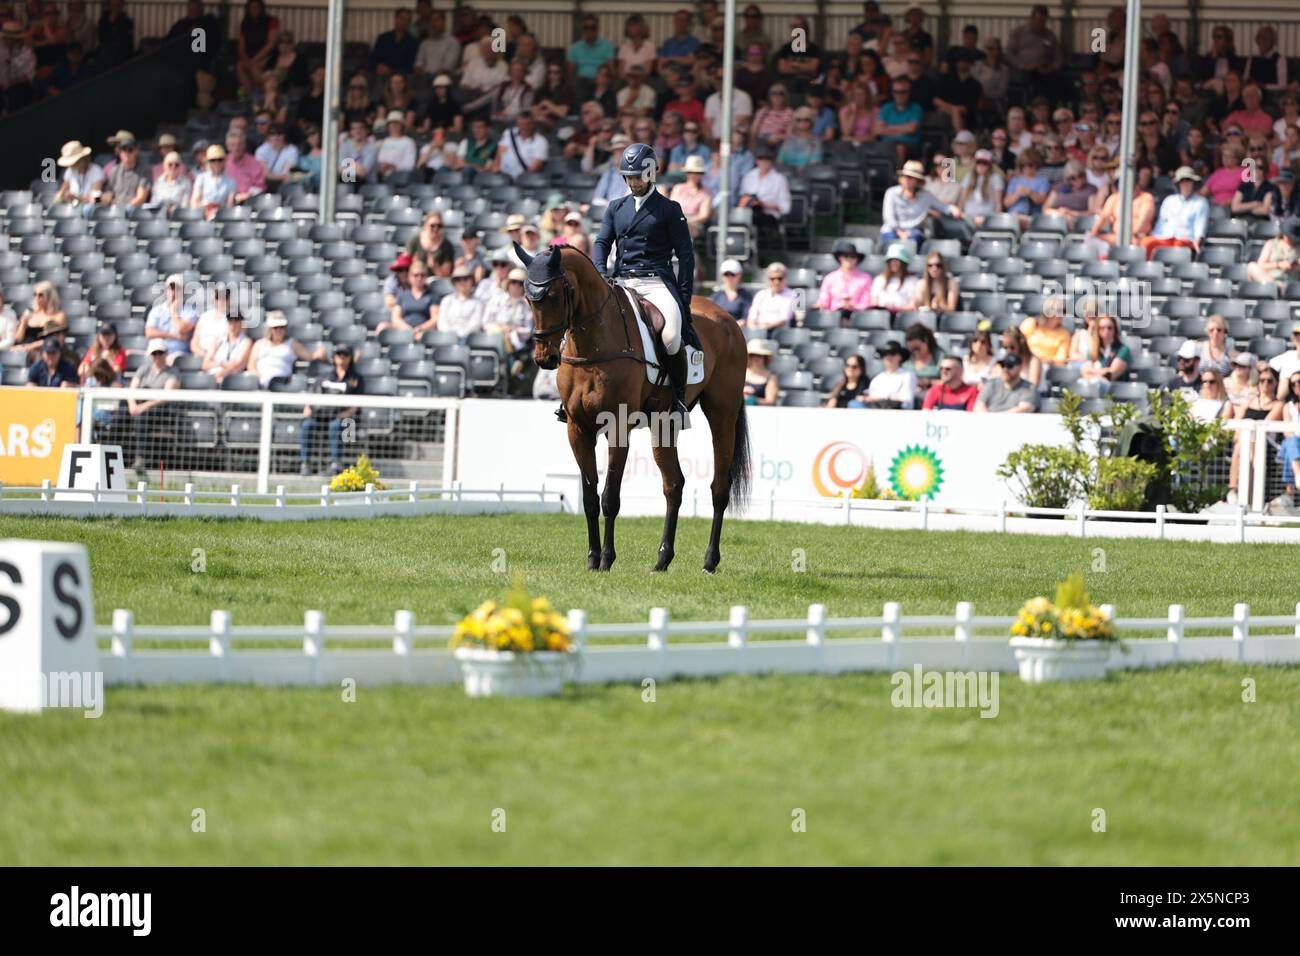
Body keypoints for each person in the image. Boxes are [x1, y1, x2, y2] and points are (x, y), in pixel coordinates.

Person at [578, 140, 696, 425]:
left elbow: (686, 255)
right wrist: (599, 273)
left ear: (650, 174)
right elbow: (602, 242)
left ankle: (678, 399)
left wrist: (683, 296)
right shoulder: (616, 207)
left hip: (656, 282)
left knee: (670, 337)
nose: (631, 182)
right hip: (621, 281)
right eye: (627, 177)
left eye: (636, 177)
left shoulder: (669, 209)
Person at [300, 345, 362, 476]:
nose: (342, 357)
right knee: (307, 424)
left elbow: (358, 403)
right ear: (333, 357)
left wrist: (348, 412)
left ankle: (336, 464)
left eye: (346, 354)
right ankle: (305, 463)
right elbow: (312, 393)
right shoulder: (325, 376)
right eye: (339, 354)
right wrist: (308, 407)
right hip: (322, 418)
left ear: (351, 358)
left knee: (336, 425)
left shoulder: (356, 378)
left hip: (349, 423)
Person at [125, 340, 180, 470]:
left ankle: (140, 458)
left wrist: (143, 407)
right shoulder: (144, 369)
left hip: (160, 409)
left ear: (166, 354)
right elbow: (132, 388)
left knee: (142, 417)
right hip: (138, 406)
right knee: (120, 413)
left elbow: (166, 396)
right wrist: (132, 405)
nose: (157, 356)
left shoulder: (173, 372)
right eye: (154, 353)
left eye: (160, 353)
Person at [881, 160, 958, 243]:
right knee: (890, 237)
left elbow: (943, 207)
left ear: (917, 180)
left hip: (913, 232)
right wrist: (900, 233)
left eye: (910, 177)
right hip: (892, 230)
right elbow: (888, 218)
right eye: (904, 176)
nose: (906, 179)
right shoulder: (891, 192)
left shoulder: (926, 196)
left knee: (915, 237)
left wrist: (954, 210)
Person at [1141, 166, 1207, 258]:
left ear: (1193, 183)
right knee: (1146, 243)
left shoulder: (1200, 202)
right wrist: (1154, 236)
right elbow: (1161, 223)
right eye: (1182, 181)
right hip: (1165, 237)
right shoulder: (1169, 200)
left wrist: (1198, 239)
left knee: (1178, 244)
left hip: (1185, 239)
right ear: (1178, 184)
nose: (1185, 184)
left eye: (1188, 180)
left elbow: (1200, 225)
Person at [248, 311, 325, 387]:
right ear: (270, 329)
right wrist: (259, 377)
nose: (279, 330)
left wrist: (319, 353)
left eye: (282, 327)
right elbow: (251, 365)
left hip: (282, 383)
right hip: (261, 383)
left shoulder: (292, 343)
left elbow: (309, 356)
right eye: (275, 328)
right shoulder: (259, 344)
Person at [145, 274, 197, 364]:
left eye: (177, 289)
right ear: (166, 290)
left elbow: (182, 329)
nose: (173, 293)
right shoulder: (157, 310)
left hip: (177, 353)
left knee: (171, 360)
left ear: (184, 291)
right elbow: (149, 333)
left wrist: (173, 312)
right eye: (171, 288)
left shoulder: (191, 311)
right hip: (156, 350)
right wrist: (174, 336)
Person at [816, 241, 872, 316]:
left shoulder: (865, 278)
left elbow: (866, 301)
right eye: (846, 256)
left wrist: (854, 307)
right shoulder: (830, 278)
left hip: (857, 316)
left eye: (853, 256)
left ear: (857, 259)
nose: (849, 259)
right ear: (840, 258)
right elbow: (824, 300)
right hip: (833, 316)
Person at [1078, 315, 1131, 393]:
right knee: (1081, 383)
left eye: (1110, 328)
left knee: (1097, 383)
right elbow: (1084, 372)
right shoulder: (1095, 350)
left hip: (1116, 391)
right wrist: (1101, 372)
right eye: (1102, 328)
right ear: (1098, 331)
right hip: (1095, 387)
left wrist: (1092, 371)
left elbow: (1111, 374)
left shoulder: (1123, 349)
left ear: (1115, 330)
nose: (1106, 331)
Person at [13, 280, 66, 355]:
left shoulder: (58, 316)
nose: (37, 298)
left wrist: (31, 346)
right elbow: (18, 339)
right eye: (35, 294)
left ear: (50, 296)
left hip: (45, 352)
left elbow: (57, 341)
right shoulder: (29, 313)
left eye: (41, 295)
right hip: (23, 350)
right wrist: (23, 324)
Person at [975, 352, 1039, 413]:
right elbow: (978, 406)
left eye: (1009, 365)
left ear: (1020, 367)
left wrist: (996, 419)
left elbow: (1024, 409)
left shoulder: (1029, 388)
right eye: (1003, 365)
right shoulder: (991, 384)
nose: (1005, 369)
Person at [200, 312, 252, 384]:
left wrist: (222, 371)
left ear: (241, 323)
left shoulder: (246, 342)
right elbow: (205, 364)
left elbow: (238, 365)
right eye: (230, 321)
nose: (232, 325)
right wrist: (221, 365)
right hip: (214, 376)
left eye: (236, 321)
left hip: (233, 378)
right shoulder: (218, 340)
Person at [744, 262, 798, 330]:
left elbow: (784, 320)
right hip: (758, 332)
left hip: (780, 333)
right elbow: (751, 318)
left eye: (779, 278)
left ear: (785, 279)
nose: (776, 282)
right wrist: (755, 330)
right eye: (772, 279)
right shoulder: (760, 294)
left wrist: (764, 327)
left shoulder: (792, 295)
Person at [435, 265, 486, 337]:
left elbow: (475, 325)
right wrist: (450, 335)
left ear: (472, 281)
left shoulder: (478, 303)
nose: (462, 282)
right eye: (458, 279)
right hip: (446, 338)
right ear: (454, 283)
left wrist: (459, 336)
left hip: (468, 340)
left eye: (465, 278)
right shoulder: (446, 300)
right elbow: (442, 322)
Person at [862, 341, 917, 408]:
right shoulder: (877, 378)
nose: (888, 357)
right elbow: (870, 399)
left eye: (892, 354)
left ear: (900, 357)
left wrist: (881, 399)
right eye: (885, 354)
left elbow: (906, 401)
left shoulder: (908, 376)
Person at [1246, 216, 1300, 284]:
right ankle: (1276, 286)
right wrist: (1279, 265)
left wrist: (1296, 266)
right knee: (1251, 266)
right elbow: (1261, 265)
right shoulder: (1271, 243)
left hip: (1291, 282)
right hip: (1270, 279)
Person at [1019, 299, 1070, 369]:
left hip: (1047, 368)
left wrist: (1045, 360)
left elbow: (1061, 360)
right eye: (1057, 310)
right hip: (1025, 362)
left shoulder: (1064, 334)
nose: (1060, 314)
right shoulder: (1030, 323)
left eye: (1063, 311)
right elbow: (1018, 345)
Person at [190, 143, 236, 217]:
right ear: (208, 162)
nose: (216, 163)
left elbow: (229, 205)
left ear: (224, 161)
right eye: (213, 160)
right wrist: (203, 213)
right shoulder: (201, 178)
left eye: (219, 160)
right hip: (202, 216)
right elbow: (194, 202)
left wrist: (217, 212)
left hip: (222, 216)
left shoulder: (231, 181)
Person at [871, 243, 918, 314]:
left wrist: (896, 309)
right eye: (891, 260)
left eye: (897, 260)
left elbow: (912, 306)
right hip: (881, 315)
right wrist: (885, 307)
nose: (894, 263)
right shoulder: (879, 279)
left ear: (903, 262)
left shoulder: (912, 280)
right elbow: (873, 303)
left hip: (902, 317)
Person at [743, 338, 779, 406]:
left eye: (759, 355)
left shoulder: (771, 377)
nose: (755, 358)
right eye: (752, 355)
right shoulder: (741, 374)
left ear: (764, 357)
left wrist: (753, 400)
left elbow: (770, 401)